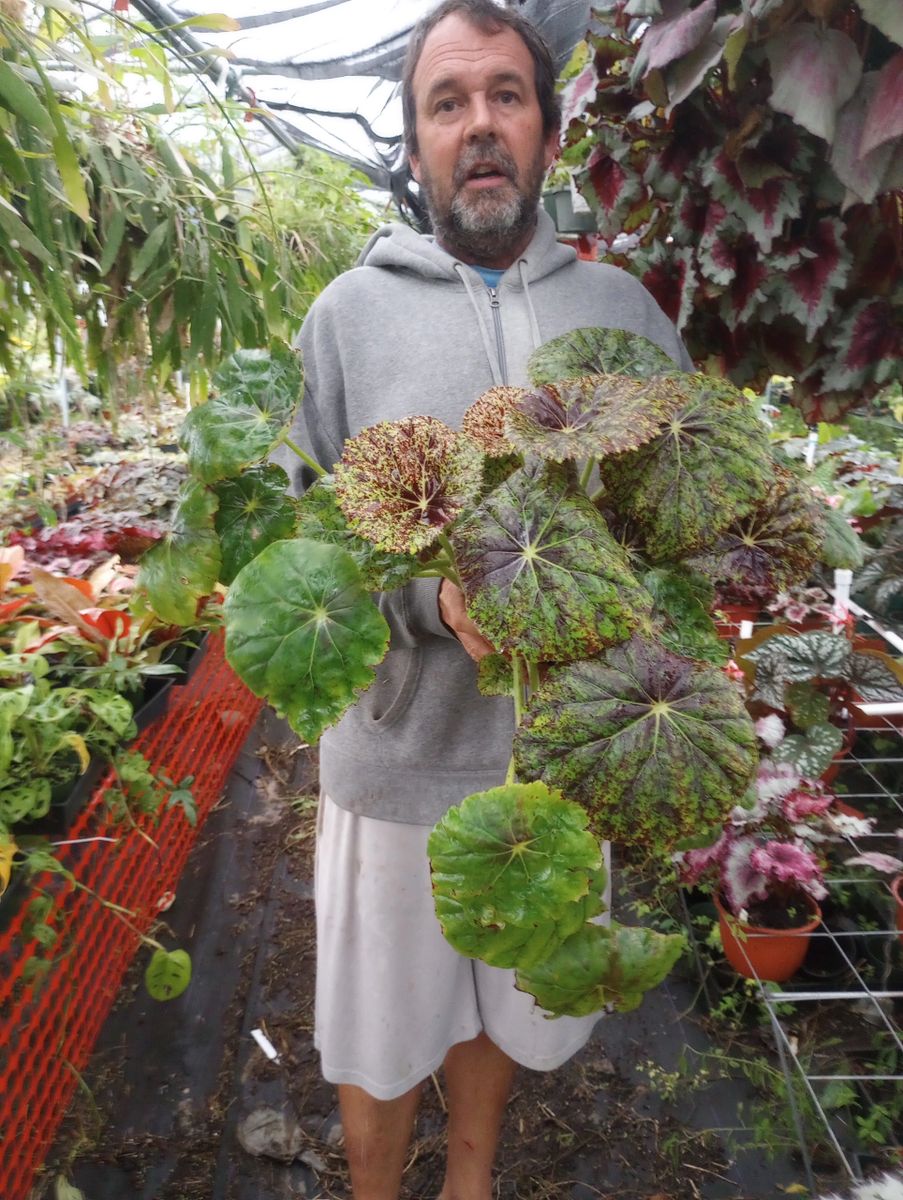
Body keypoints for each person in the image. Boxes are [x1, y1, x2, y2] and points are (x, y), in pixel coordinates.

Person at [283, 3, 692, 1196]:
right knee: (378, 1036)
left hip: (558, 762)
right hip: (400, 755)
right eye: (446, 104)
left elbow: (679, 523)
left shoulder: (621, 316)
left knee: (493, 1008)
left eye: (505, 97)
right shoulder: (348, 317)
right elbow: (304, 529)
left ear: (549, 136)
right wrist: (426, 595)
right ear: (416, 148)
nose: (478, 128)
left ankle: (469, 1182)